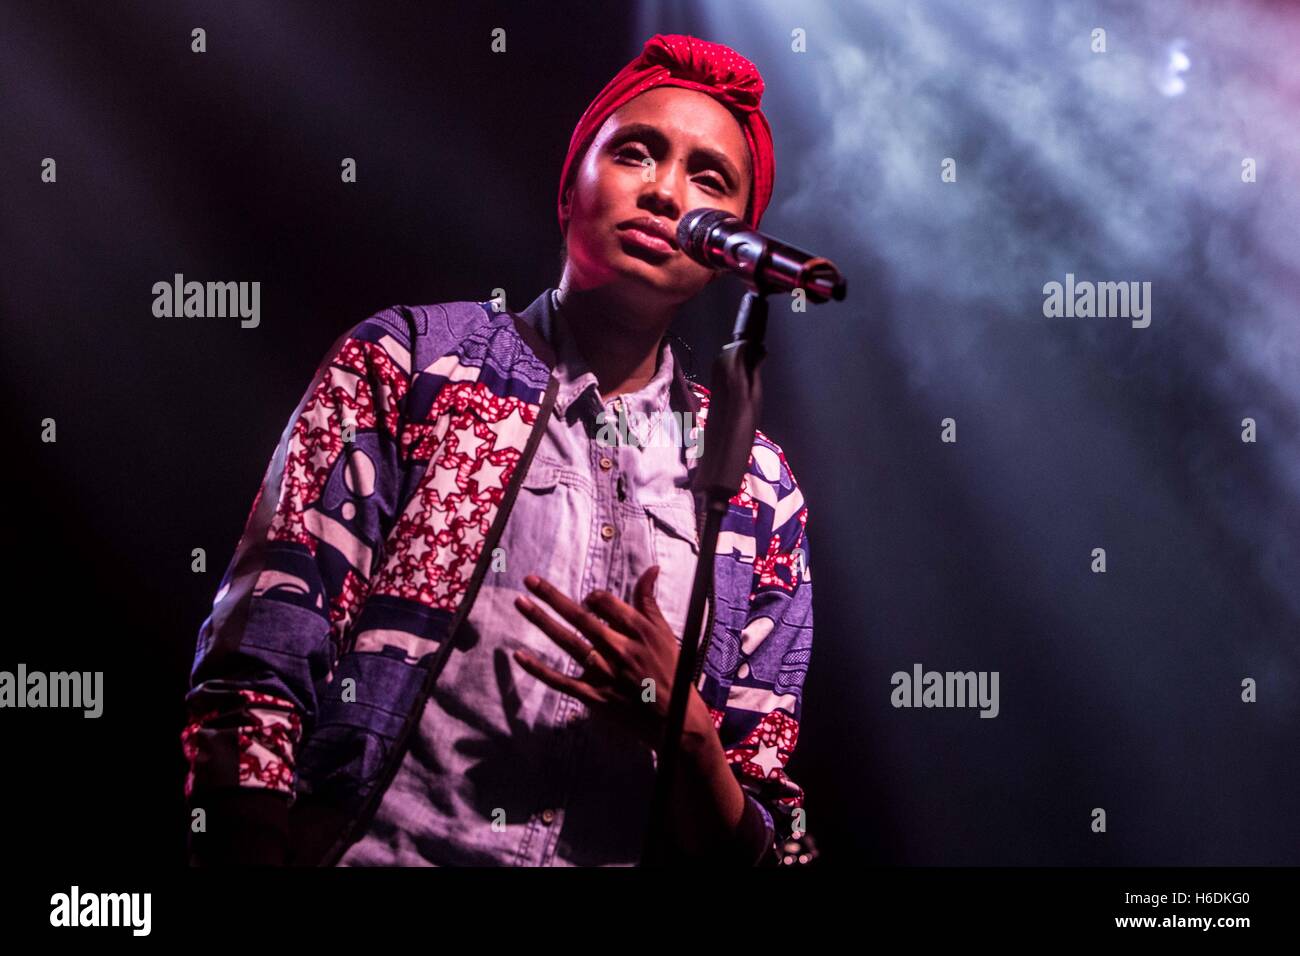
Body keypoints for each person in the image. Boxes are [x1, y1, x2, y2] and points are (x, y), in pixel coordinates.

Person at [182, 33, 814, 867]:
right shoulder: (412, 363)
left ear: (730, 248)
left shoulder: (759, 489)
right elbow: (262, 654)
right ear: (569, 190)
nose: (666, 192)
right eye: (636, 152)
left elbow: (775, 838)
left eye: (709, 179)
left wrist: (687, 733)